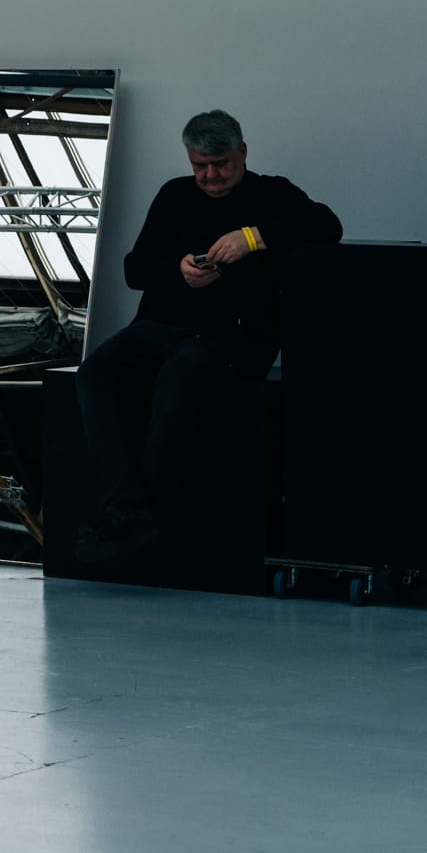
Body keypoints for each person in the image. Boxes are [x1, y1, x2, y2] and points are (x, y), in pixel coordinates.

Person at [75, 109, 342, 565]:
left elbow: (327, 227)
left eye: (220, 163)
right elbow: (134, 269)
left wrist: (252, 238)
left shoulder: (272, 194)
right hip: (160, 326)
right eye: (199, 165)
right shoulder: (174, 195)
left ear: (242, 153)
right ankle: (126, 508)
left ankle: (151, 512)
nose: (210, 175)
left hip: (234, 334)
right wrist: (178, 270)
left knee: (182, 378)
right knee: (96, 373)